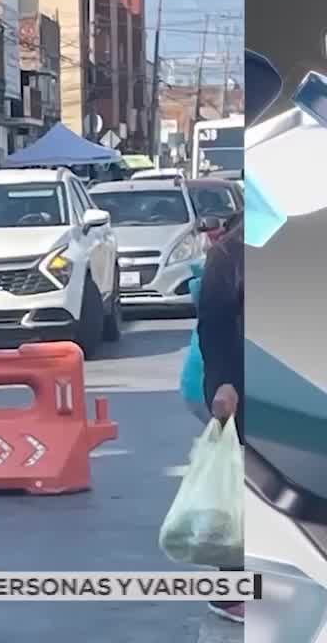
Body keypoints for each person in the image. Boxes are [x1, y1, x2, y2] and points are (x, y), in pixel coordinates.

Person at [197, 218, 245, 625]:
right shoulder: (231, 253)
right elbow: (213, 327)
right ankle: (231, 591)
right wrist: (223, 383)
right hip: (248, 386)